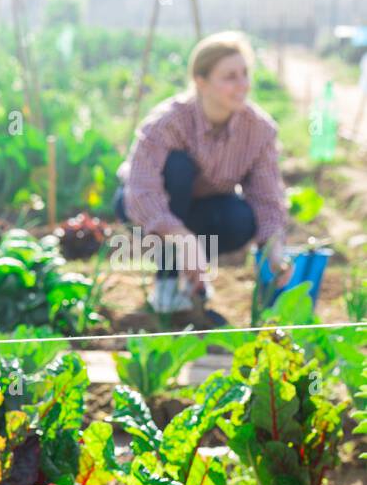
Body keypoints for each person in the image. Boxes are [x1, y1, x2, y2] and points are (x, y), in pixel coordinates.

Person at [114, 31, 290, 318]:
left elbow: (267, 197)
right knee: (179, 168)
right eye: (229, 77)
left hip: (202, 211)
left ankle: (193, 278)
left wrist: (274, 249)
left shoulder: (259, 130)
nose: (242, 84)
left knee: (242, 218)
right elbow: (141, 193)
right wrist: (183, 239)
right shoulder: (168, 122)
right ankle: (167, 282)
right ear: (201, 81)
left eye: (245, 74)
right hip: (144, 207)